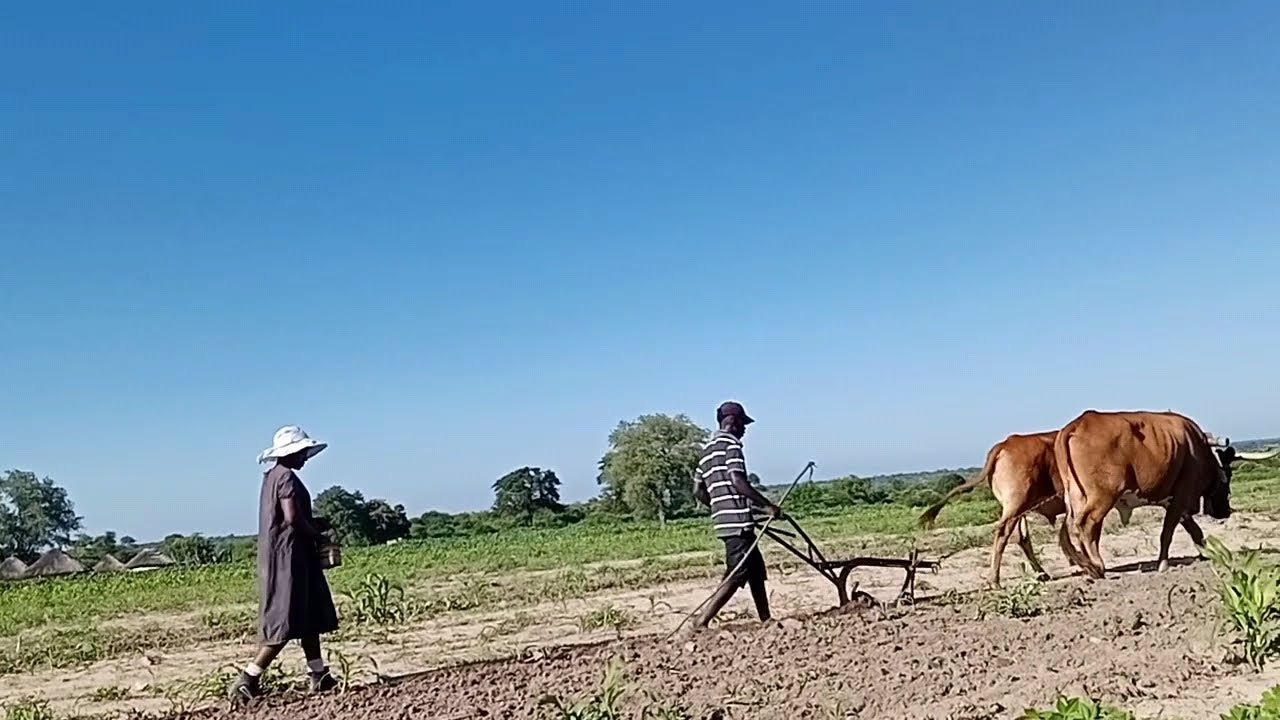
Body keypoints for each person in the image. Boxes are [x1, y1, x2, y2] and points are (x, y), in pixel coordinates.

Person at [229, 425, 341, 704]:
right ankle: (248, 678)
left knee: (308, 614)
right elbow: (291, 518)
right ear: (290, 454)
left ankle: (319, 674)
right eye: (301, 452)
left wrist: (314, 523)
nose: (305, 457)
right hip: (290, 557)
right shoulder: (287, 478)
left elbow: (285, 519)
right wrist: (317, 534)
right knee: (286, 618)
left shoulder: (272, 478)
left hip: (287, 554)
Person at [691, 400, 783, 629]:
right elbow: (737, 480)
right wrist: (767, 506)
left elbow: (697, 490)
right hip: (737, 522)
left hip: (725, 520)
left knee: (755, 571)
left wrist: (718, 505)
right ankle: (701, 622)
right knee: (738, 572)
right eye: (744, 425)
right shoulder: (732, 446)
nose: (744, 430)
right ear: (734, 422)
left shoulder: (705, 452)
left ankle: (766, 619)